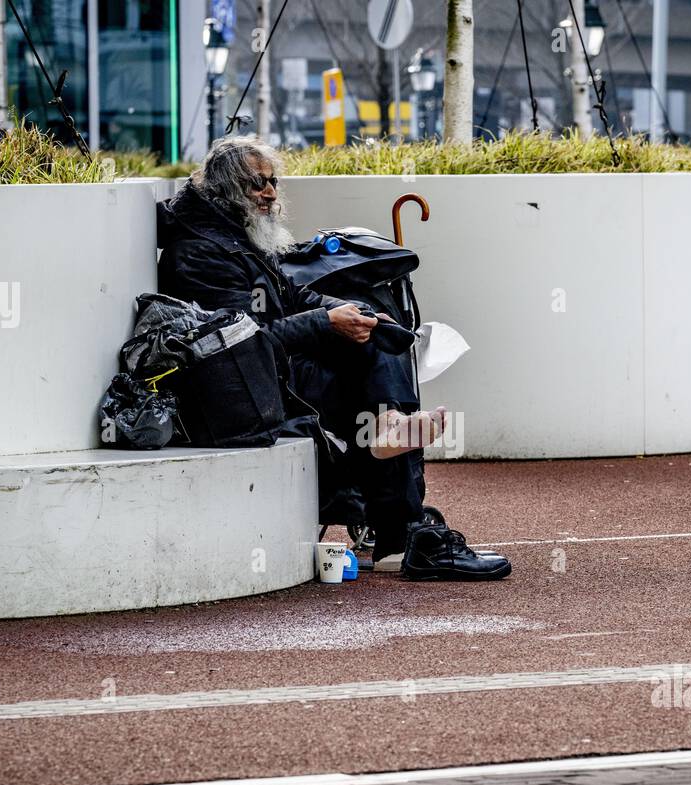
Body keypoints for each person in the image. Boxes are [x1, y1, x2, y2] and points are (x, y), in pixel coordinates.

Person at [156, 136, 510, 581]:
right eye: (257, 185)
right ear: (226, 190)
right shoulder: (201, 252)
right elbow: (240, 344)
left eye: (272, 182)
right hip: (243, 393)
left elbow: (293, 296)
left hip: (267, 374)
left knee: (377, 333)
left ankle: (395, 469)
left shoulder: (229, 234)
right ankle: (403, 532)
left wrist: (349, 312)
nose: (270, 194)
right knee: (368, 376)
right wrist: (327, 323)